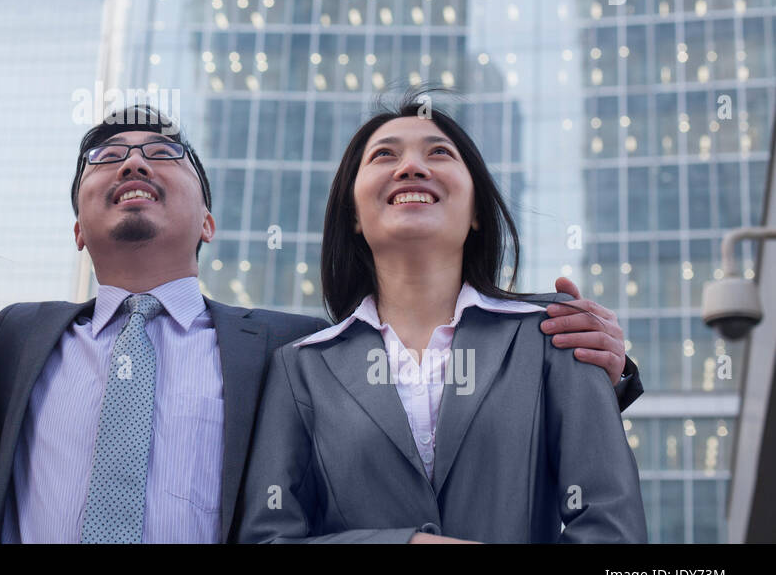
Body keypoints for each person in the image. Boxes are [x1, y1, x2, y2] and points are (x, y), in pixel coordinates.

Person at [0, 104, 641, 543]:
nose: (133, 161)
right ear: (79, 222)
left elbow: (422, 354)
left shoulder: (297, 349)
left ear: (207, 221)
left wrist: (607, 362)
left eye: (162, 154)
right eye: (108, 157)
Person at [236, 91, 648, 543]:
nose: (411, 167)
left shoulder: (555, 333)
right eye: (384, 155)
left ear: (475, 211)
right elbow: (266, 537)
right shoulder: (300, 368)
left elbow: (612, 527)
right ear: (353, 214)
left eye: (439, 153)